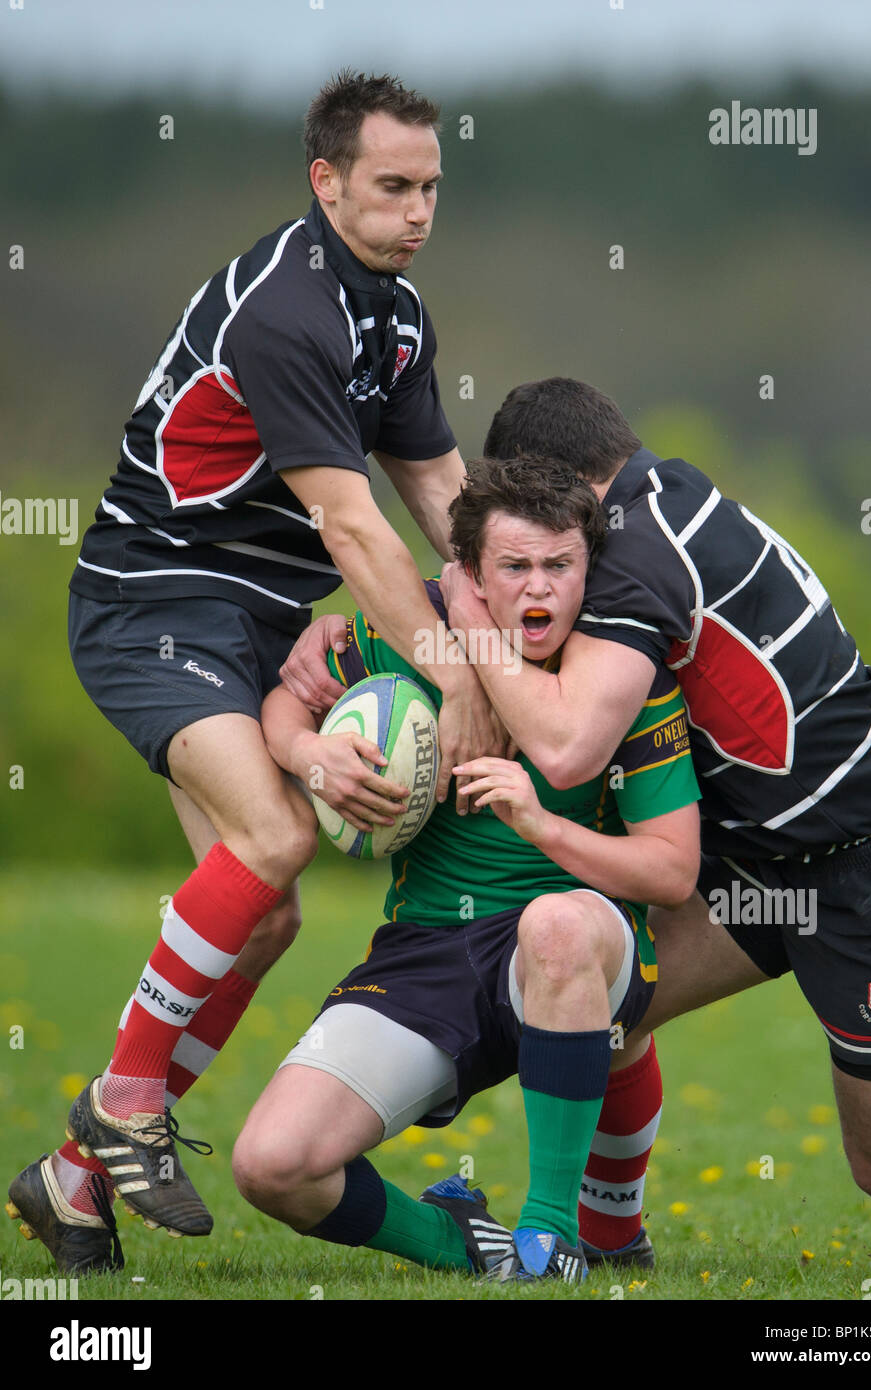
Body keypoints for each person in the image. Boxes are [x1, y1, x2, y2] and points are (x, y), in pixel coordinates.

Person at [6, 70, 500, 1277]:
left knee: (264, 912)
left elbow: (438, 494)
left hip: (253, 622)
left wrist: (508, 612)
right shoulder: (289, 312)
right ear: (325, 180)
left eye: (431, 185)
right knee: (277, 837)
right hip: (153, 603)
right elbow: (354, 530)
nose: (417, 209)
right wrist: (461, 676)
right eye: (391, 186)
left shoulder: (394, 313)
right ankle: (127, 1106)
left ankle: (71, 1180)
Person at [434, 378, 871, 1246]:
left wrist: (469, 616)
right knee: (603, 994)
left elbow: (565, 748)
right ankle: (607, 1235)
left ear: (558, 487)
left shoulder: (635, 557)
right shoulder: (669, 491)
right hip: (755, 857)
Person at [231, 455, 700, 1282]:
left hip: (573, 947)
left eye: (561, 566)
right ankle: (464, 1245)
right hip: (426, 951)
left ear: (590, 566)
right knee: (271, 1164)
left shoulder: (619, 674)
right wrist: (310, 754)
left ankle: (550, 1239)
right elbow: (284, 701)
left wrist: (540, 823)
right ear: (467, 576)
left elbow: (669, 874)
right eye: (513, 568)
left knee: (553, 922)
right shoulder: (399, 632)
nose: (539, 591)